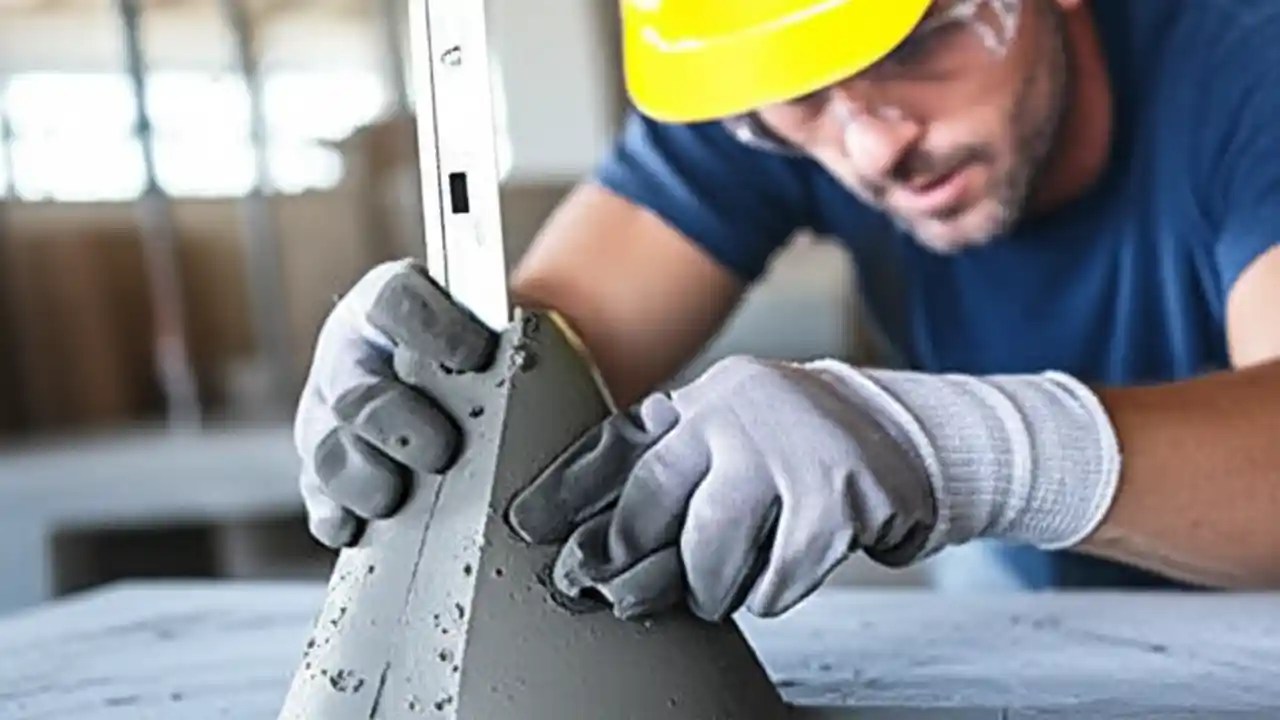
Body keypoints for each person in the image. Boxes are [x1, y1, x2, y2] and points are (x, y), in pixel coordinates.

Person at [293, 0, 1280, 622]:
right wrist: (426, 376)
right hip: (1029, 580)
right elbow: (550, 341)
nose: (873, 147)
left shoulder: (1247, 57)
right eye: (800, 100)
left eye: (917, 43)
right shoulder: (765, 80)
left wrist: (959, 451)